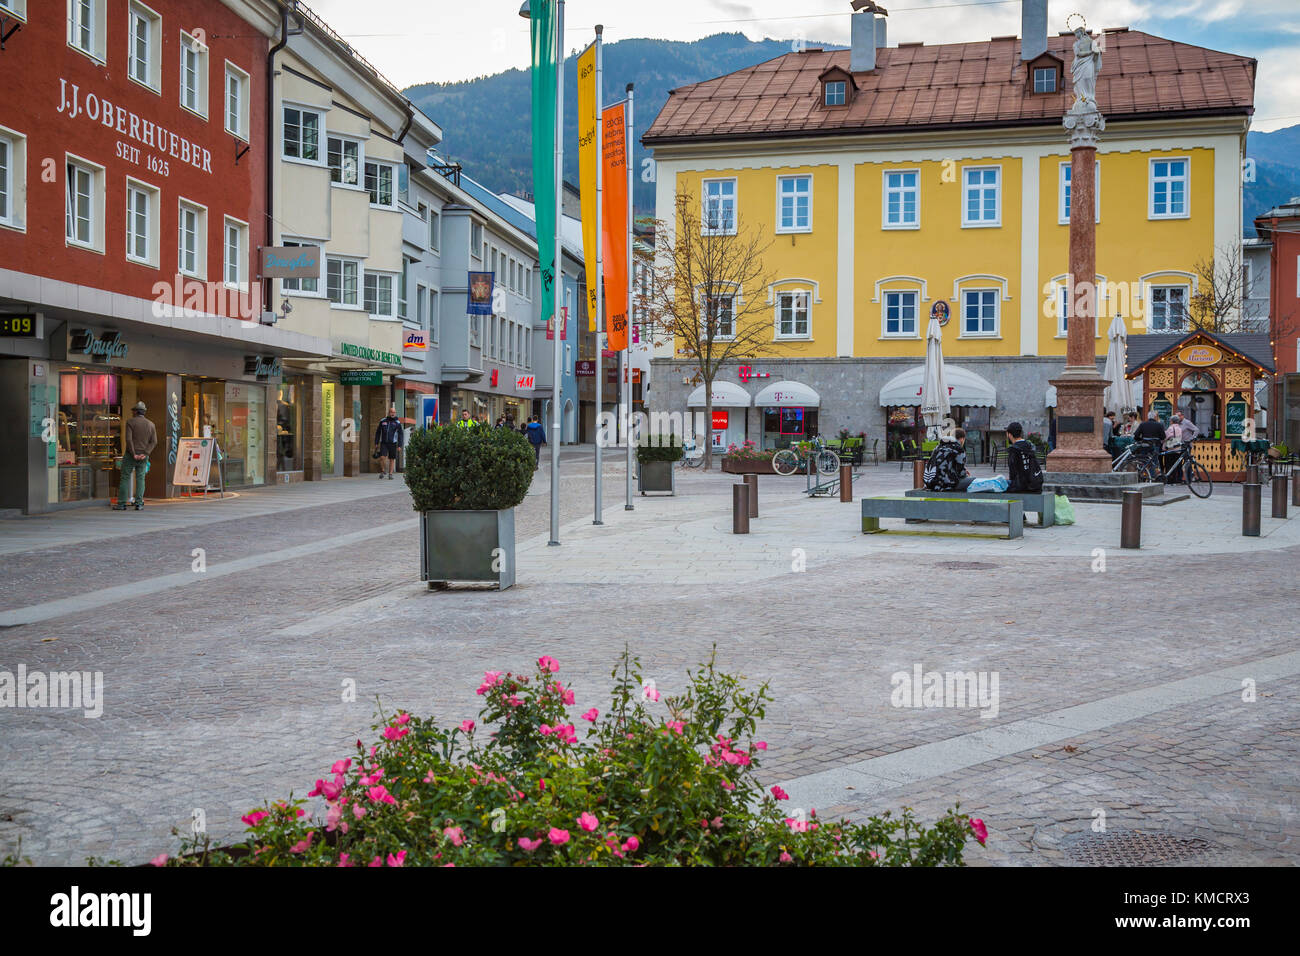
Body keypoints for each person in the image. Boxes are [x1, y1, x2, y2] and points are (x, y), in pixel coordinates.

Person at [114, 401, 157, 511]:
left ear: (136, 412)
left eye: (133, 411)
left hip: (130, 455)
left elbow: (128, 439)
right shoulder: (151, 424)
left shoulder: (130, 422)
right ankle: (139, 503)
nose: (132, 412)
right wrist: (145, 453)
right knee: (140, 478)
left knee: (125, 478)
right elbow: (154, 442)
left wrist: (133, 454)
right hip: (143, 456)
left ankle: (122, 503)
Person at [1003, 421, 1043, 492]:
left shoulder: (1013, 450)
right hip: (1034, 485)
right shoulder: (1030, 446)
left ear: (1009, 434)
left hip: (1021, 487)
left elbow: (1013, 474)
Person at [374, 404, 403, 480]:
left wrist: (400, 445)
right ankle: (383, 470)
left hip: (393, 443)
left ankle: (390, 474)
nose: (392, 413)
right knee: (382, 457)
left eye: (394, 412)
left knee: (392, 459)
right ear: (388, 413)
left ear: (395, 413)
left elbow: (400, 434)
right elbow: (378, 432)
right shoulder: (383, 421)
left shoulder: (397, 423)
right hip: (384, 443)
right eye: (391, 412)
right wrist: (376, 442)